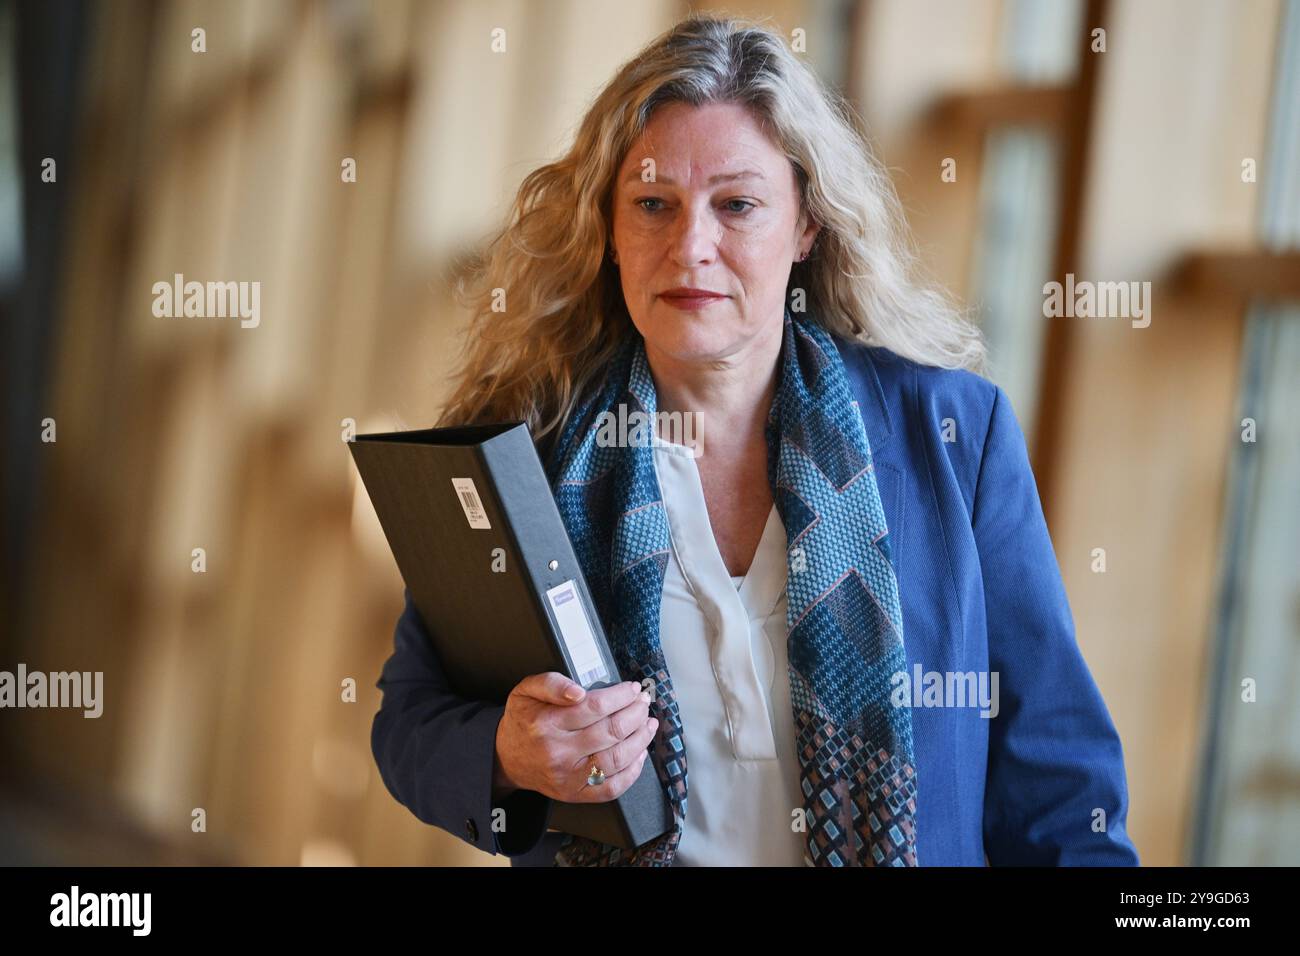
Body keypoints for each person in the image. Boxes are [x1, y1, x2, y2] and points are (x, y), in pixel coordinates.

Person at [370, 13, 1139, 867]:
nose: (691, 247)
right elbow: (410, 720)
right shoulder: (531, 451)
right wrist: (510, 755)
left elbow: (1058, 782)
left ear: (807, 223)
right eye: (653, 205)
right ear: (609, 230)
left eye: (736, 205)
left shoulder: (954, 436)